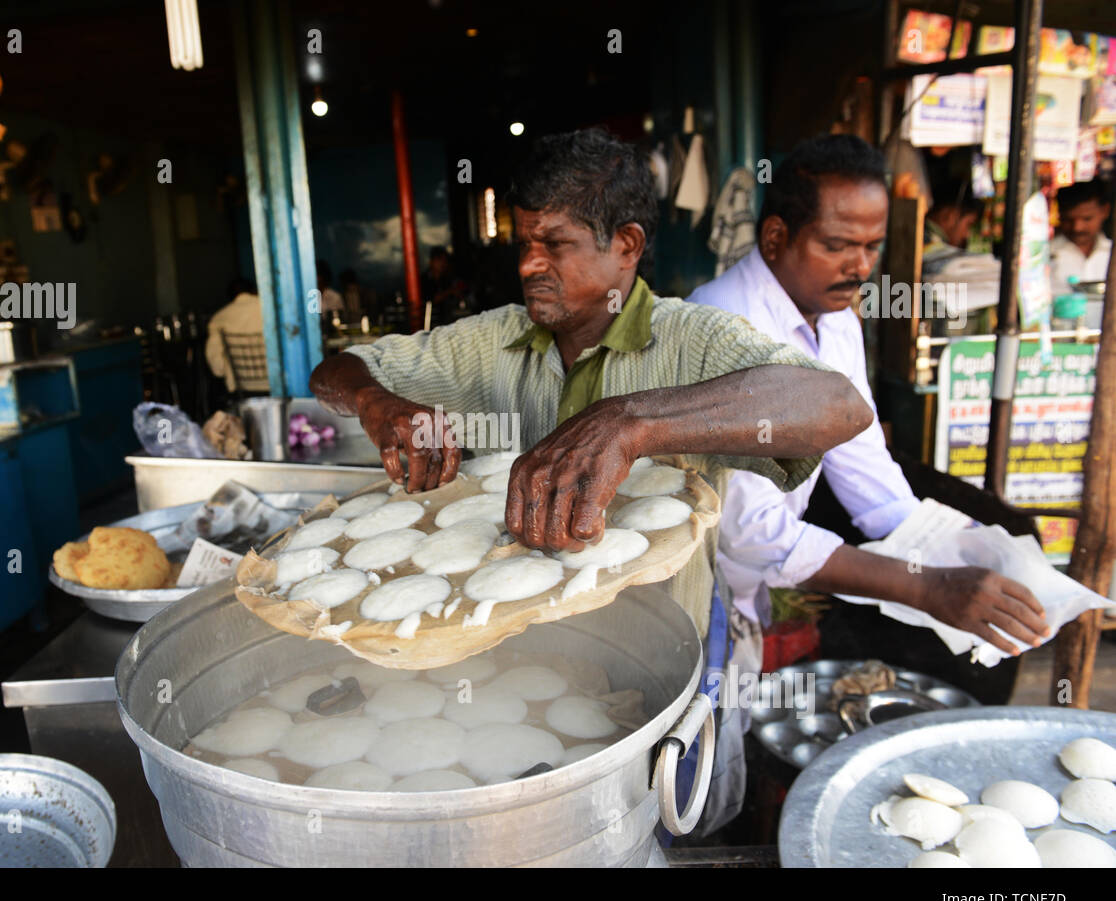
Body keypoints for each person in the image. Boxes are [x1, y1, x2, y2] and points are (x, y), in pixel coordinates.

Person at [311, 128, 875, 834]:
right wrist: (378, 401)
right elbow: (335, 369)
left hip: (660, 672)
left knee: (645, 829)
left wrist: (632, 420)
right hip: (516, 666)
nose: (529, 265)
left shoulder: (694, 340)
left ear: (628, 245)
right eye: (522, 244)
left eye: (556, 244)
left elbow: (836, 406)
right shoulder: (492, 341)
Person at [688, 133, 1047, 667]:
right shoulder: (721, 330)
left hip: (745, 588)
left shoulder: (835, 321)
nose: (859, 267)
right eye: (836, 246)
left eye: (871, 246)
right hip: (692, 591)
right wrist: (925, 588)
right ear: (775, 237)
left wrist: (953, 543)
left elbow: (862, 465)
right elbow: (751, 530)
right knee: (698, 732)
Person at [1050, 180, 1112, 297]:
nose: (1077, 228)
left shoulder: (1111, 253)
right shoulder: (1044, 254)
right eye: (1069, 220)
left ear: (1105, 211)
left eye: (1087, 218)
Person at [205, 277, 266, 393]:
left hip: (242, 388)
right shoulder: (271, 309)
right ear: (254, 291)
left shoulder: (219, 319)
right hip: (277, 381)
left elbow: (217, 368)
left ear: (230, 297)